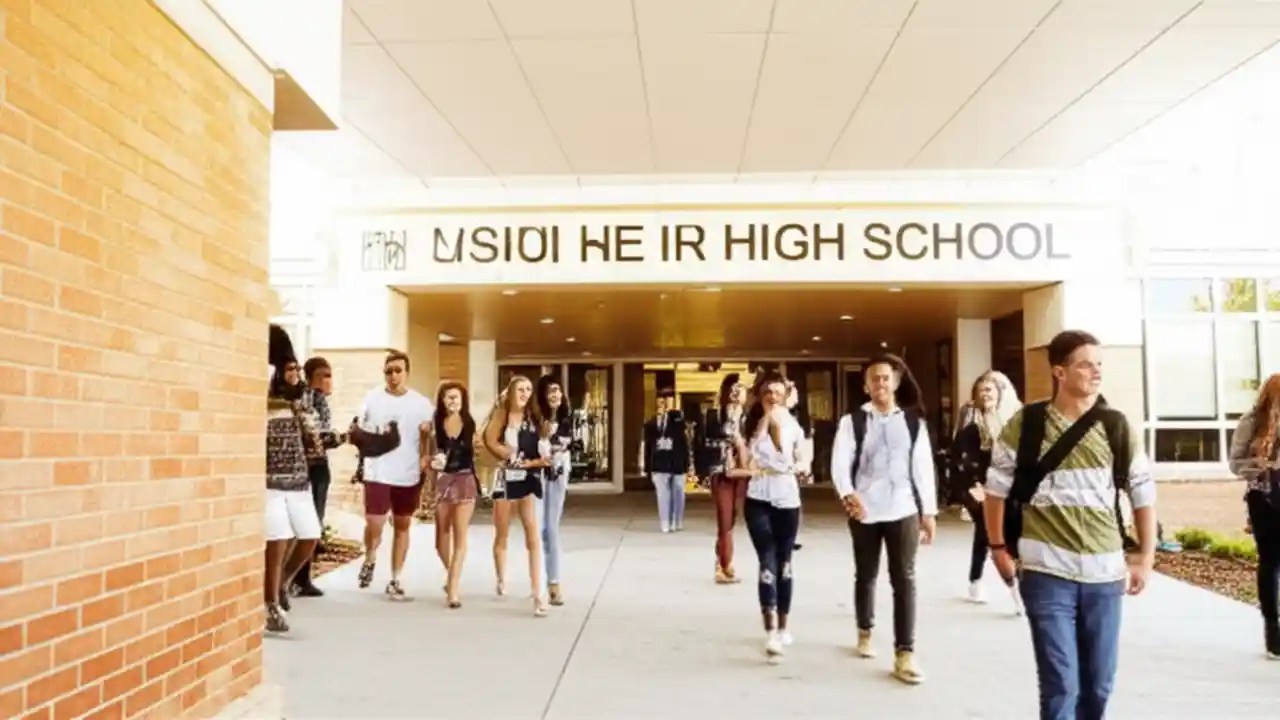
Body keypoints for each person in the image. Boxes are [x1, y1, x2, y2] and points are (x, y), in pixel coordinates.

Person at [984, 330, 1157, 720]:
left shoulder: (1116, 426)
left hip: (1105, 574)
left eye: (1099, 364)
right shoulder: (1026, 424)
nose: (1095, 372)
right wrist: (997, 547)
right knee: (1061, 685)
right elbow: (996, 490)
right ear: (1059, 372)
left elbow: (1143, 493)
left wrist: (1145, 556)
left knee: (1098, 685)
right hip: (1046, 574)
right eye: (1085, 364)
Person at [830, 353, 937, 685]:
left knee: (904, 578)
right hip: (865, 509)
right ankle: (865, 628)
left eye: (885, 378)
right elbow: (839, 462)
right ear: (865, 385)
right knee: (866, 573)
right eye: (874, 378)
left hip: (902, 508)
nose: (880, 383)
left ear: (895, 382)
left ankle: (905, 652)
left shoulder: (912, 423)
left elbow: (922, 468)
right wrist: (849, 495)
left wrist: (928, 512)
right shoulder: (853, 422)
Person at [355, 350, 433, 601]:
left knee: (402, 525)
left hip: (407, 473)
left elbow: (432, 436)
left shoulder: (420, 403)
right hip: (377, 470)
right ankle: (370, 557)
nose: (393, 376)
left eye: (398, 370)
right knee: (375, 524)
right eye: (389, 371)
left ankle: (396, 578)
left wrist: (426, 455)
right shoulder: (372, 398)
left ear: (407, 373)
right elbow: (358, 429)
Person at [740, 370, 805, 662]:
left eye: (778, 394)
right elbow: (747, 460)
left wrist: (777, 428)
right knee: (766, 558)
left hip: (787, 497)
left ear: (787, 397)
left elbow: (794, 459)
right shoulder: (753, 424)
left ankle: (784, 623)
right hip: (758, 497)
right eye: (768, 394)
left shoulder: (794, 426)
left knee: (784, 561)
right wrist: (764, 424)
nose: (773, 398)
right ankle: (771, 630)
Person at [263, 326, 323, 633]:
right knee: (277, 540)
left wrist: (299, 397)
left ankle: (285, 582)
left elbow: (314, 438)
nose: (293, 372)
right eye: (288, 367)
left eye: (295, 367)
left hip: (299, 481)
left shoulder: (299, 397)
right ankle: (270, 604)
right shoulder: (263, 393)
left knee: (310, 535)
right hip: (270, 481)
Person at [949, 370, 1023, 612]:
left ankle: (1015, 583)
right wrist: (971, 487)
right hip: (981, 490)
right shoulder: (971, 431)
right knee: (986, 533)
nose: (985, 394)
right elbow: (958, 462)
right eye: (981, 391)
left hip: (1010, 490)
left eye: (989, 390)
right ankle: (984, 582)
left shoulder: (1014, 426)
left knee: (1013, 537)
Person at [484, 375, 553, 616]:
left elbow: (544, 447)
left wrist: (539, 458)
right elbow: (488, 440)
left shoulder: (533, 418)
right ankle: (501, 577)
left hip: (528, 477)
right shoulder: (501, 416)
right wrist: (507, 453)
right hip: (505, 477)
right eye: (520, 389)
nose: (524, 394)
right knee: (502, 532)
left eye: (528, 389)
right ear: (511, 391)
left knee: (532, 533)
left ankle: (538, 593)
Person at [1227, 372, 1280, 659]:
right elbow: (1235, 464)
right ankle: (1273, 631)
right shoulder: (1252, 421)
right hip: (1264, 499)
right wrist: (1263, 467)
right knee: (1270, 563)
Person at [292, 356, 346, 598]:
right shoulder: (313, 399)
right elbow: (318, 437)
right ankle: (299, 579)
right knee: (310, 523)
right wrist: (347, 437)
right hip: (312, 468)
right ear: (311, 376)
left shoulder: (308, 398)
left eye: (330, 375)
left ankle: (301, 577)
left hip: (308, 467)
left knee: (308, 523)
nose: (328, 380)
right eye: (323, 375)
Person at [428, 381, 479, 609]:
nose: (452, 401)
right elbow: (430, 455)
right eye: (448, 397)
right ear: (442, 400)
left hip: (466, 479)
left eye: (456, 397)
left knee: (460, 537)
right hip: (444, 481)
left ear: (462, 401)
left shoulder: (469, 423)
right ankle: (452, 577)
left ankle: (453, 591)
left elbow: (476, 452)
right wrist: (430, 484)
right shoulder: (435, 425)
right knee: (441, 540)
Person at [706, 374, 748, 583]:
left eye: (741, 389)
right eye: (734, 389)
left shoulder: (748, 416)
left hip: (743, 473)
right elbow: (706, 441)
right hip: (721, 472)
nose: (738, 393)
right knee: (724, 519)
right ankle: (723, 565)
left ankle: (723, 561)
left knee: (732, 518)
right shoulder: (715, 415)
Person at [537, 374, 573, 606]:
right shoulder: (535, 421)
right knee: (539, 530)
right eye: (550, 391)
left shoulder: (567, 420)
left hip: (557, 474)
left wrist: (550, 440)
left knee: (551, 528)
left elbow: (562, 445)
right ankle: (538, 579)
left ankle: (554, 582)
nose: (555, 395)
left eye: (558, 390)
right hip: (537, 475)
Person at [642, 388, 691, 533]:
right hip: (659, 463)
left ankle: (677, 520)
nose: (663, 404)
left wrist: (671, 412)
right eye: (661, 400)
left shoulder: (677, 419)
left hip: (677, 462)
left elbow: (684, 440)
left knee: (678, 492)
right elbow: (648, 447)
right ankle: (665, 522)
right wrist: (647, 468)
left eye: (667, 400)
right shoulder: (651, 424)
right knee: (663, 495)